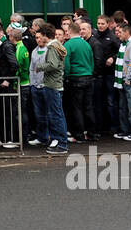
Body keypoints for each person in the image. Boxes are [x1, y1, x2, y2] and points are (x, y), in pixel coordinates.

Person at [30, 23, 68, 155]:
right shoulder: (57, 45)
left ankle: (62, 144)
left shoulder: (52, 47)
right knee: (57, 114)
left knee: (56, 115)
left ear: (46, 35)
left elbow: (53, 65)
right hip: (56, 84)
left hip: (52, 85)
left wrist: (40, 66)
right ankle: (60, 141)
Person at [64, 22, 95, 142]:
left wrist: (67, 75)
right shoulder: (86, 44)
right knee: (88, 107)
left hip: (75, 78)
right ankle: (91, 133)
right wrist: (89, 71)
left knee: (76, 108)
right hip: (88, 76)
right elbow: (91, 60)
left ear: (70, 31)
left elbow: (66, 63)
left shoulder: (68, 44)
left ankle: (79, 135)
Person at [112, 21, 131, 142]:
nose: (118, 35)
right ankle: (126, 131)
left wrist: (128, 79)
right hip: (123, 80)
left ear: (127, 32)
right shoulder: (124, 43)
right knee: (124, 107)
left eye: (120, 32)